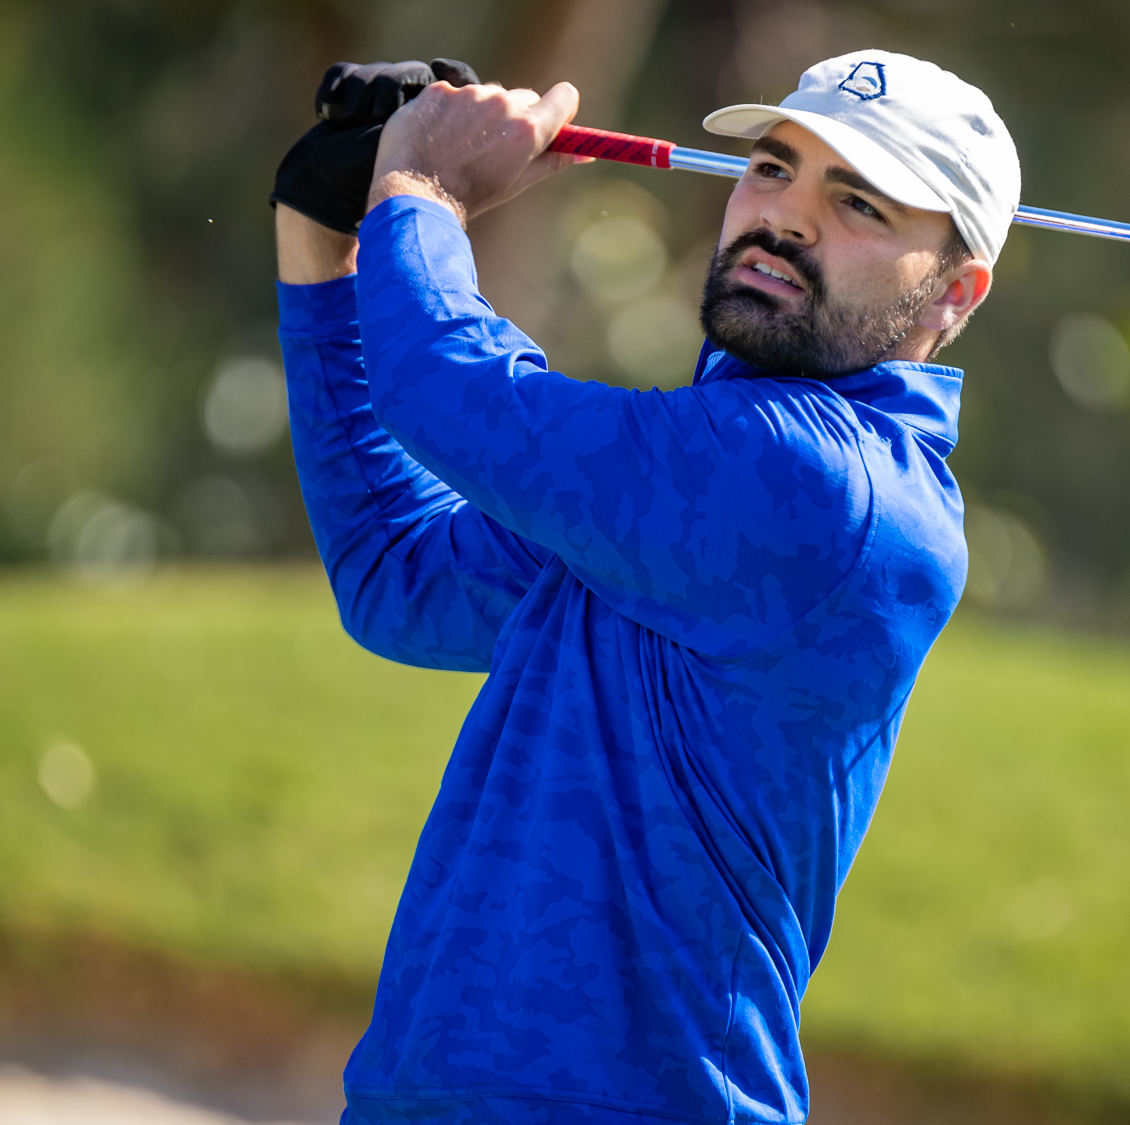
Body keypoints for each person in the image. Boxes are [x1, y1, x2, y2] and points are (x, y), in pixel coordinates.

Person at [271, 48, 1019, 1125]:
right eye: (771, 169)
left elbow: (454, 389)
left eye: (856, 201)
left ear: (953, 293)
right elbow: (399, 575)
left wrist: (423, 192)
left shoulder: (822, 491)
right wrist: (324, 235)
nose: (787, 217)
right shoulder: (688, 487)